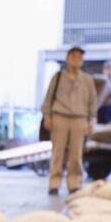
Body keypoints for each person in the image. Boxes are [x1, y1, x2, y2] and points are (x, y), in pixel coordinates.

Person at [41, 45, 97, 195]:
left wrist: (91, 121)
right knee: (57, 152)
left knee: (76, 154)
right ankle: (54, 183)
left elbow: (92, 102)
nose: (76, 60)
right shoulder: (58, 77)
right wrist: (47, 116)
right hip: (59, 117)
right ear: (67, 59)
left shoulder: (87, 80)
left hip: (80, 119)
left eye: (80, 57)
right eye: (73, 56)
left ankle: (74, 183)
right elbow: (48, 98)